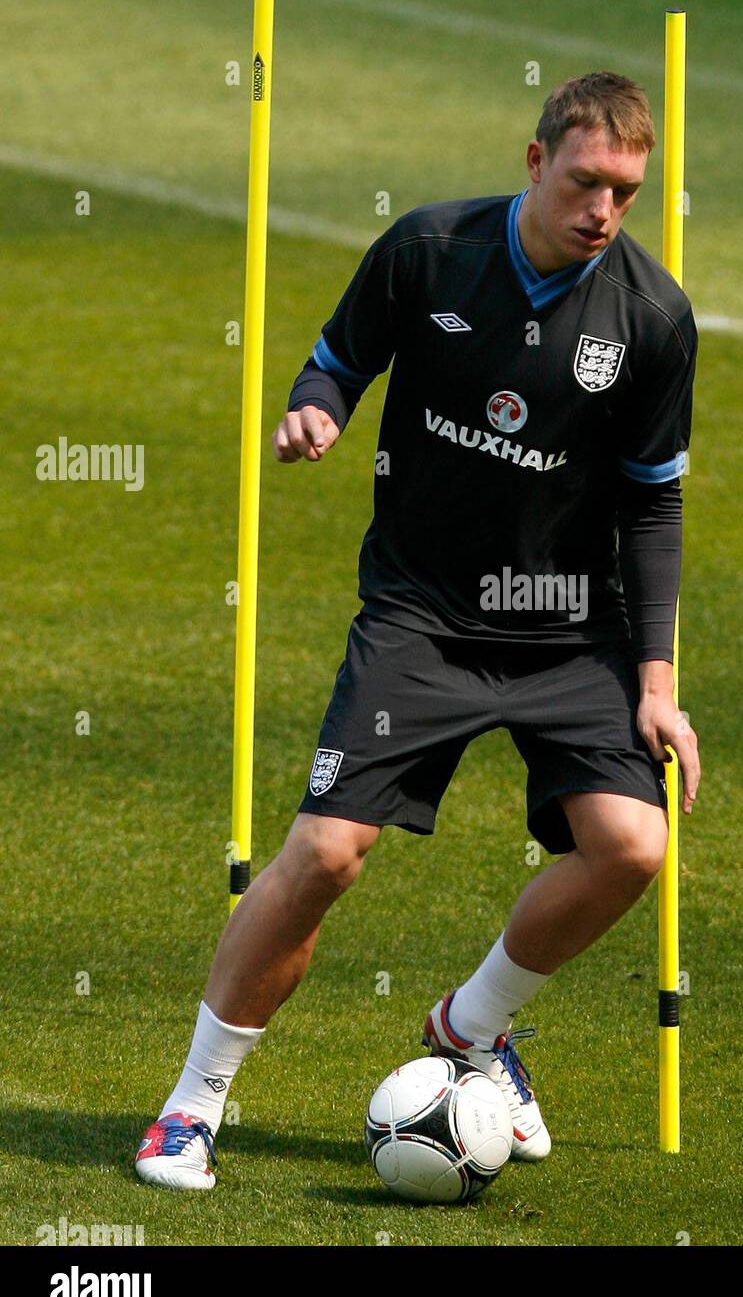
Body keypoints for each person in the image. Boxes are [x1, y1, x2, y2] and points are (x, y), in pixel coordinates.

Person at [135, 71, 701, 1190]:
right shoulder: (427, 251)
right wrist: (315, 411)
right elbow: (337, 361)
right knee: (325, 854)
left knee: (633, 844)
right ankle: (190, 1111)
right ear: (534, 162)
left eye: (626, 193)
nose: (603, 210)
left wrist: (654, 681)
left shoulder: (651, 316)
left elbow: (652, 500)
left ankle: (470, 1027)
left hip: (568, 628)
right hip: (422, 615)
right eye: (586, 180)